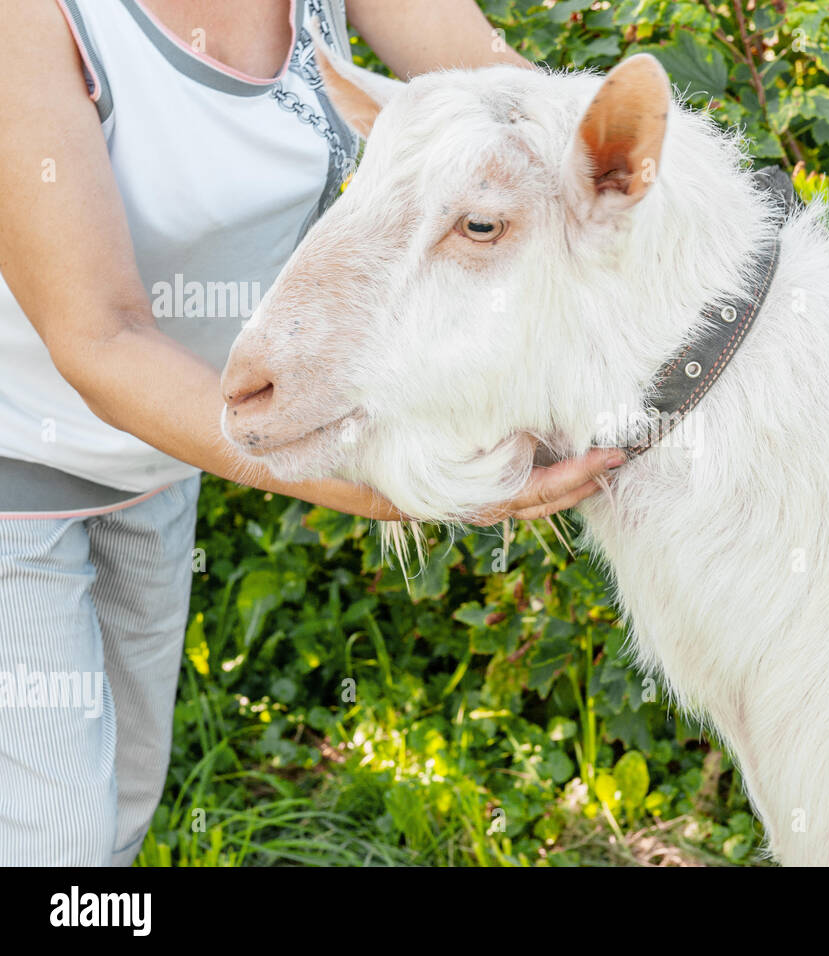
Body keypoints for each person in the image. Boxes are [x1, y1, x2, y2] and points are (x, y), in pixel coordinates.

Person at [0, 0, 620, 866]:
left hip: (163, 457)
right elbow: (102, 341)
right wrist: (379, 487)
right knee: (53, 845)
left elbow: (530, 113)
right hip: (16, 462)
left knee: (116, 815)